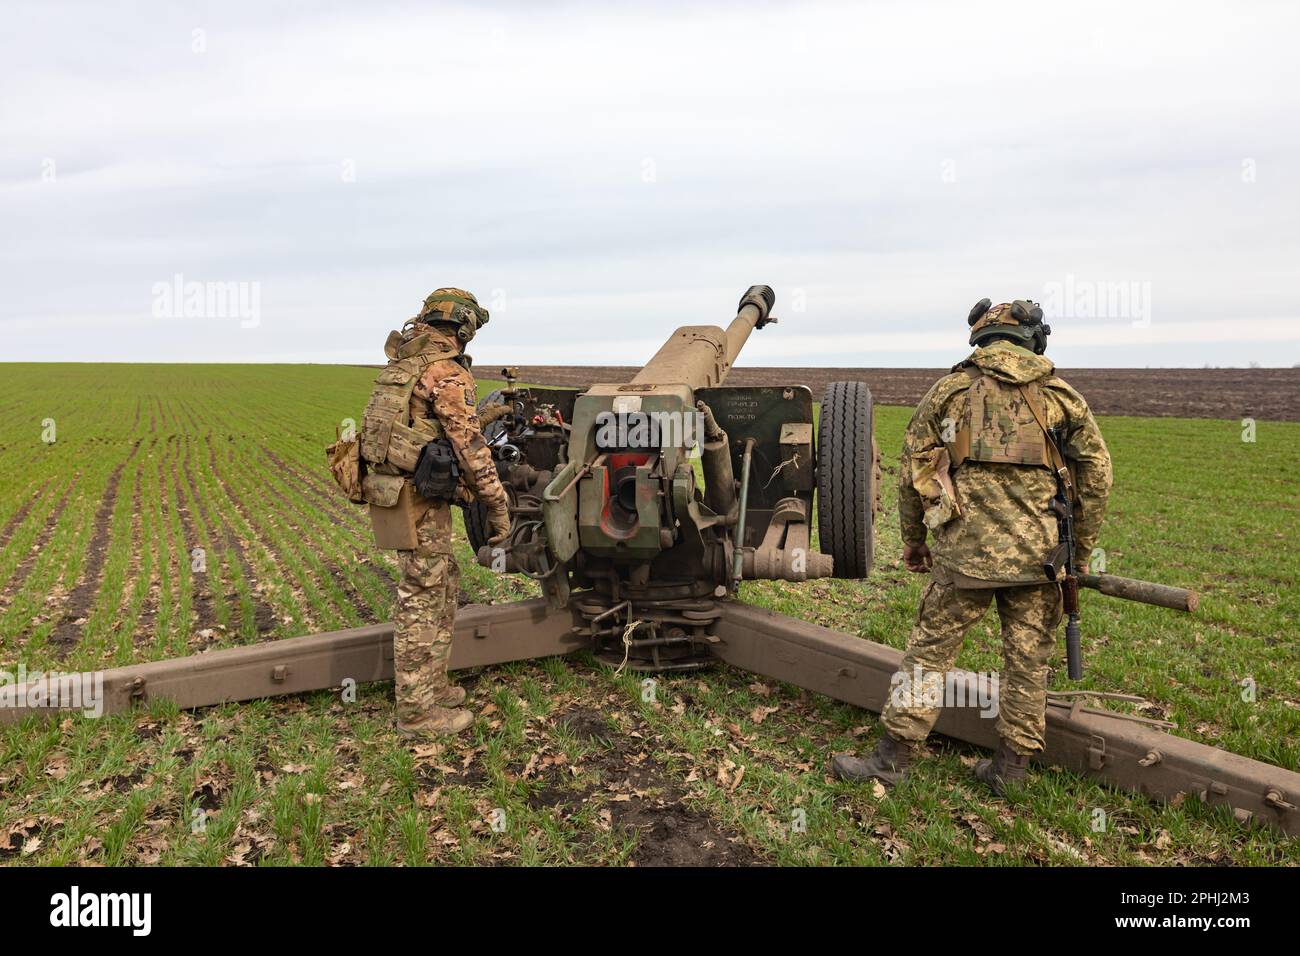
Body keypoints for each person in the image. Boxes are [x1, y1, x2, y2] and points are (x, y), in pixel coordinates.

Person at [833, 299, 1112, 793]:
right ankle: (1011, 771)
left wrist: (915, 541)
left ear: (981, 338)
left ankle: (890, 762)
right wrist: (1081, 552)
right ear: (1032, 339)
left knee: (928, 655)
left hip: (963, 559)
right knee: (1028, 664)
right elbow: (1097, 477)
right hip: (1040, 561)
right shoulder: (1062, 397)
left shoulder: (951, 391)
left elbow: (913, 469)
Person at [358, 288, 511, 737]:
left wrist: (481, 416)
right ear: (464, 328)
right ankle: (416, 714)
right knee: (422, 595)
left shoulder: (405, 365)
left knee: (442, 583)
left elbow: (429, 425)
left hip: (401, 491)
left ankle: (433, 688)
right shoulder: (447, 372)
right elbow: (470, 450)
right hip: (420, 498)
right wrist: (497, 505)